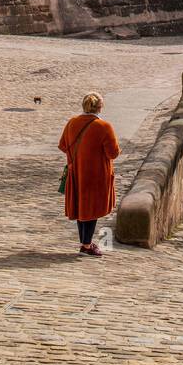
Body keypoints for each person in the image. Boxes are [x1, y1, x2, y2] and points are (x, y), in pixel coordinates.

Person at [59, 92, 121, 257]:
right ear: (100, 107)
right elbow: (113, 153)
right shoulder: (104, 126)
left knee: (81, 208)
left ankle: (85, 242)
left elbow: (63, 145)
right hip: (96, 174)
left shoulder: (72, 123)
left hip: (76, 171)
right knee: (91, 209)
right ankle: (86, 245)